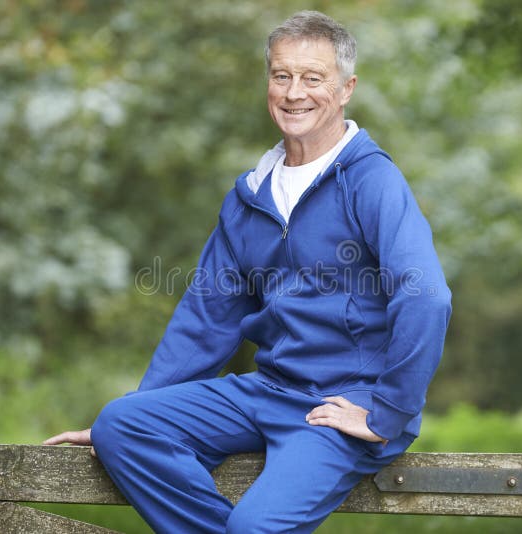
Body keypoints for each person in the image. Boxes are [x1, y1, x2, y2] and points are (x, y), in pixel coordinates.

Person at [45, 10, 452, 533]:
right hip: (271, 391)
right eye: (282, 75)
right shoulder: (249, 198)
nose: (293, 92)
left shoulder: (372, 181)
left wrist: (388, 412)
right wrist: (145, 409)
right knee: (122, 425)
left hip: (341, 406)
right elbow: (206, 317)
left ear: (346, 88)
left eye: (313, 78)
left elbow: (426, 297)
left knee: (253, 527)